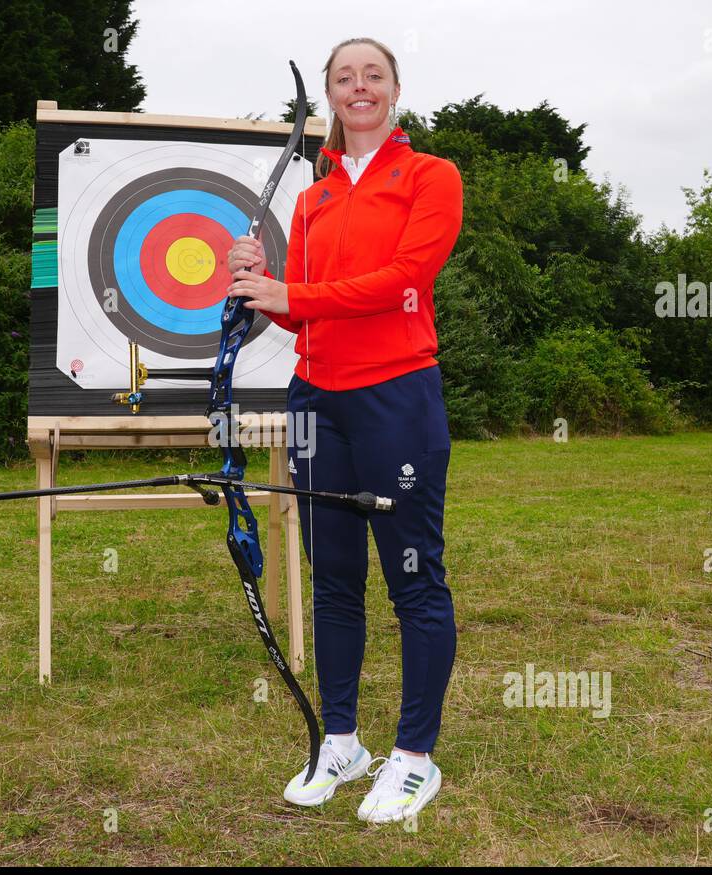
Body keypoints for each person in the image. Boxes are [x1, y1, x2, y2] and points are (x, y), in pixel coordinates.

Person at [225, 37, 463, 823]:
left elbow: (400, 281)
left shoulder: (431, 176)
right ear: (330, 96)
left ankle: (415, 758)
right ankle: (342, 742)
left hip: (397, 395)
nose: (359, 87)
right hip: (317, 398)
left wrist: (291, 288)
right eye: (344, 78)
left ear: (395, 90)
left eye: (373, 75)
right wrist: (259, 287)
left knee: (412, 577)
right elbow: (307, 306)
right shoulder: (314, 198)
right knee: (333, 577)